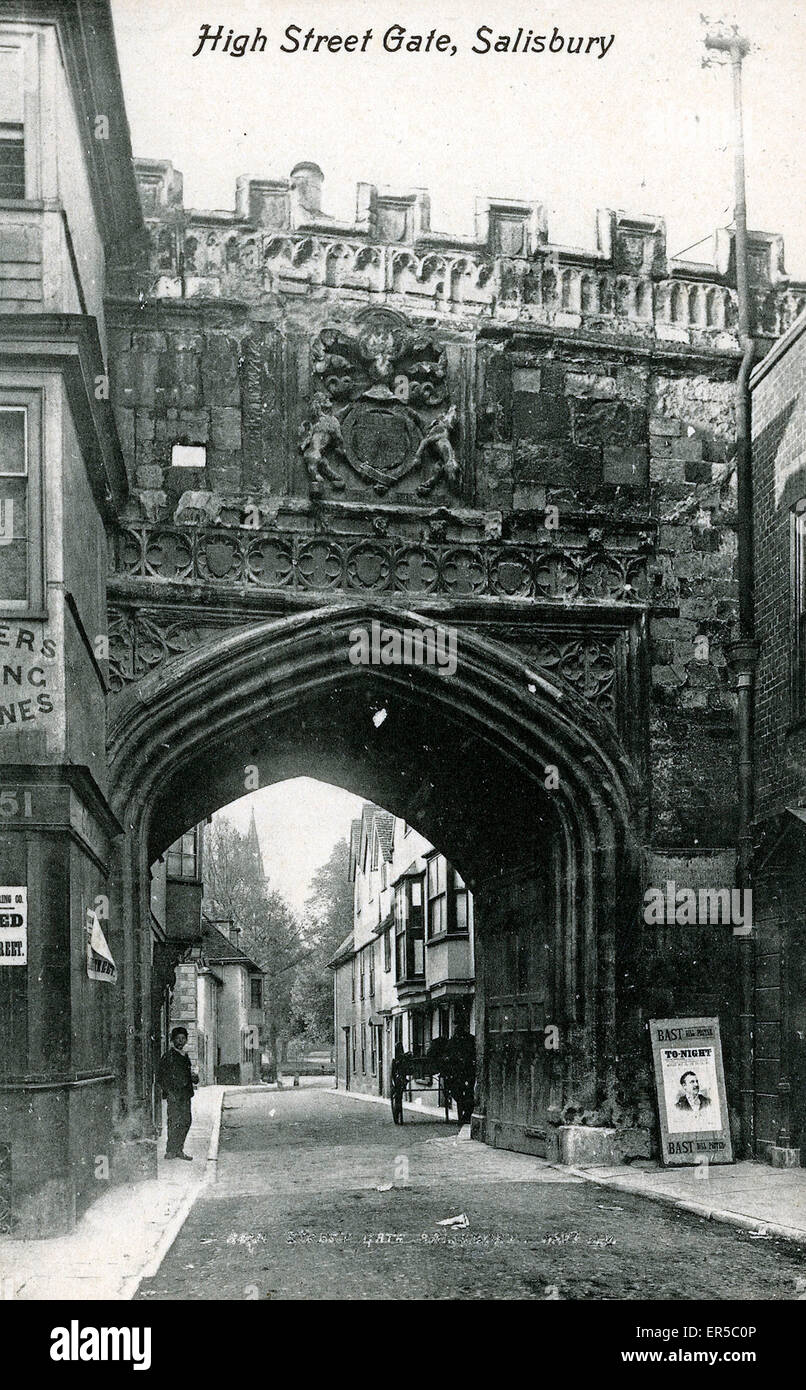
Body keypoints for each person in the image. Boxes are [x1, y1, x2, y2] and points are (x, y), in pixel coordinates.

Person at [157, 1026, 196, 1160]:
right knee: (174, 1121)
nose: (180, 1041)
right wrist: (168, 1092)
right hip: (174, 1095)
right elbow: (161, 1077)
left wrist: (194, 1077)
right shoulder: (168, 1057)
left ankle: (179, 1149)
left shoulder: (185, 1056)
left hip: (185, 1095)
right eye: (178, 1039)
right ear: (172, 1040)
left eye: (183, 1038)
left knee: (186, 1121)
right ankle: (170, 1150)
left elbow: (189, 1075)